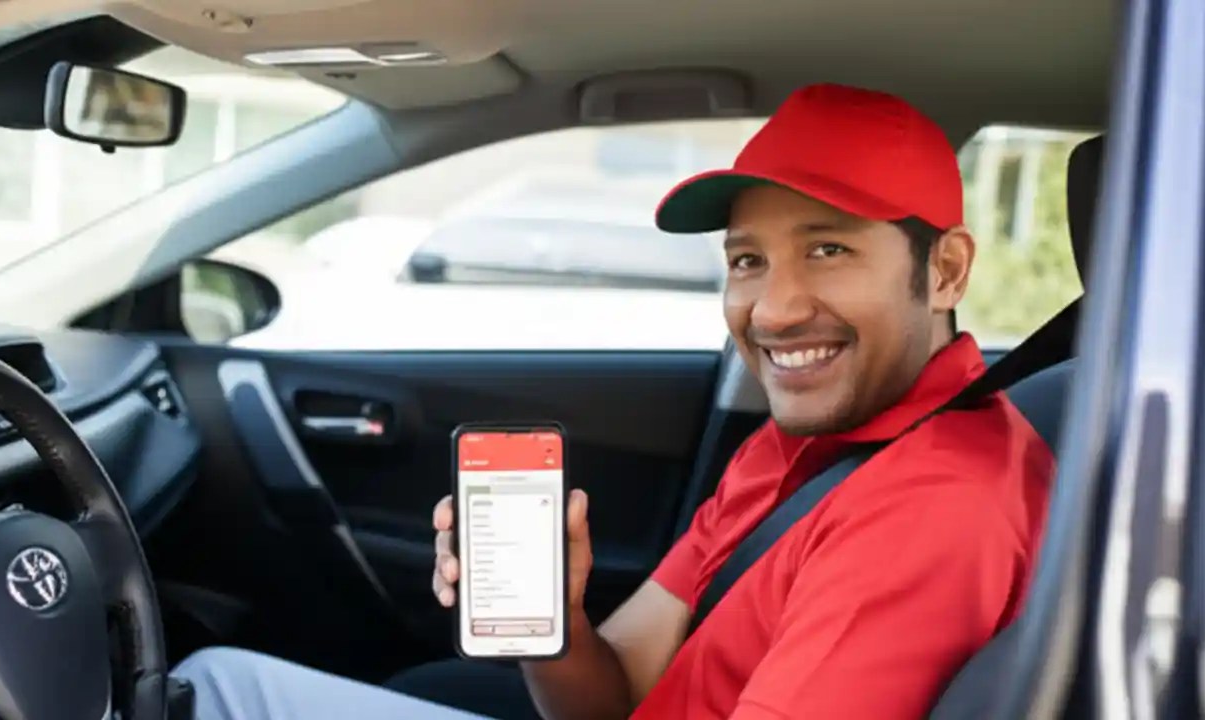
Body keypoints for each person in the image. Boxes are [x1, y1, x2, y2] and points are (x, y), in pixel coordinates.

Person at [173, 83, 1055, 720]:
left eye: (827, 250)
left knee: (212, 692)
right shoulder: (805, 444)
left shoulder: (931, 508)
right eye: (748, 260)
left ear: (943, 271)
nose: (774, 310)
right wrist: (550, 622)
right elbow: (617, 691)